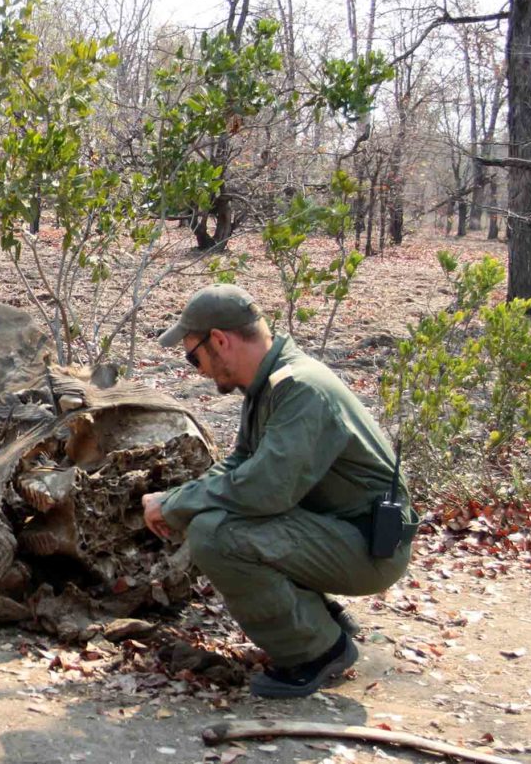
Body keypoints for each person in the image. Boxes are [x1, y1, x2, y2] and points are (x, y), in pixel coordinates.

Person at [140, 284, 416, 698]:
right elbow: (241, 464)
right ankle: (323, 619)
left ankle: (319, 651)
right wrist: (179, 497)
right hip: (340, 531)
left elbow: (266, 489)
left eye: (192, 355)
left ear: (220, 340)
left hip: (369, 549)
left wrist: (178, 505)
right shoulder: (271, 382)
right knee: (218, 519)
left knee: (215, 535)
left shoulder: (300, 387)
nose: (197, 369)